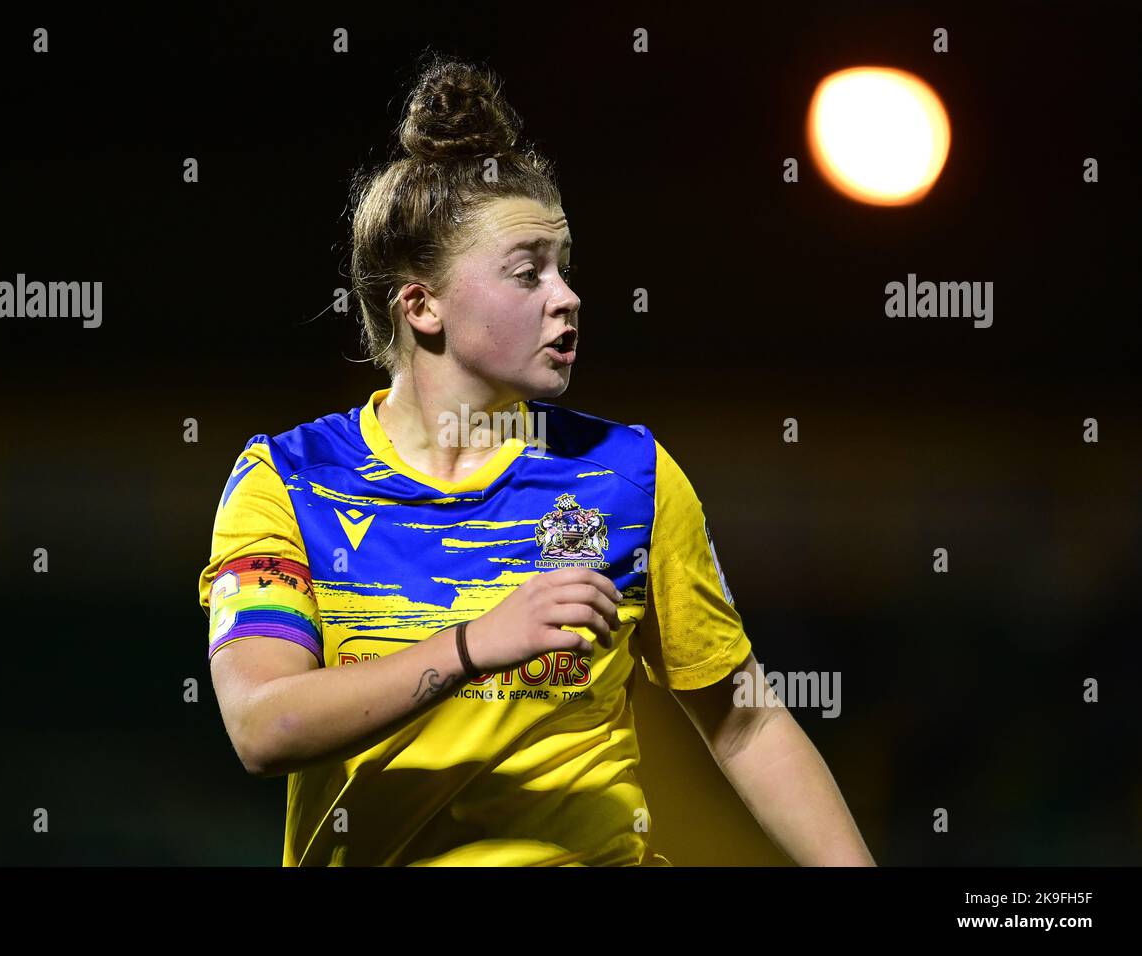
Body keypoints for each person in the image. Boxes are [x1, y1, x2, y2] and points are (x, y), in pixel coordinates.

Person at [197, 54, 874, 867]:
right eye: (527, 273)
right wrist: (477, 641)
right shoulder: (288, 479)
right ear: (421, 303)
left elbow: (746, 721)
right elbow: (262, 726)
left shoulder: (629, 475)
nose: (567, 296)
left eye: (564, 268)